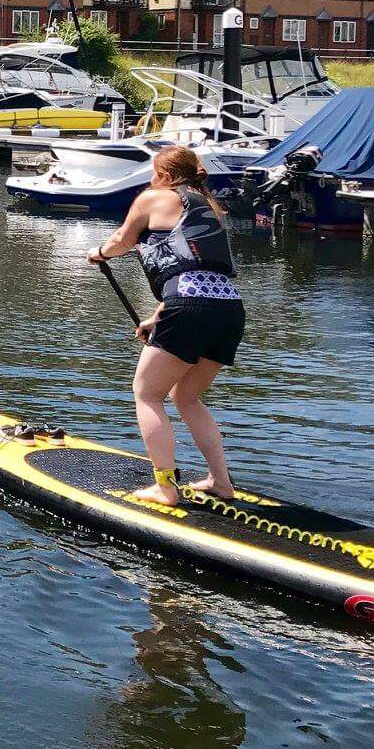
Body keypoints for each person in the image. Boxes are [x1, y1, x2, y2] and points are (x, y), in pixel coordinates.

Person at [86, 145, 241, 507]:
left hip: (190, 305)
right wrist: (157, 317)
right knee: (185, 396)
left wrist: (100, 253)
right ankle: (221, 482)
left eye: (155, 173)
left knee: (147, 393)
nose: (152, 180)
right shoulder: (209, 208)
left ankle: (165, 488)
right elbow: (195, 270)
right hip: (229, 309)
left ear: (166, 175)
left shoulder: (155, 197)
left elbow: (122, 240)